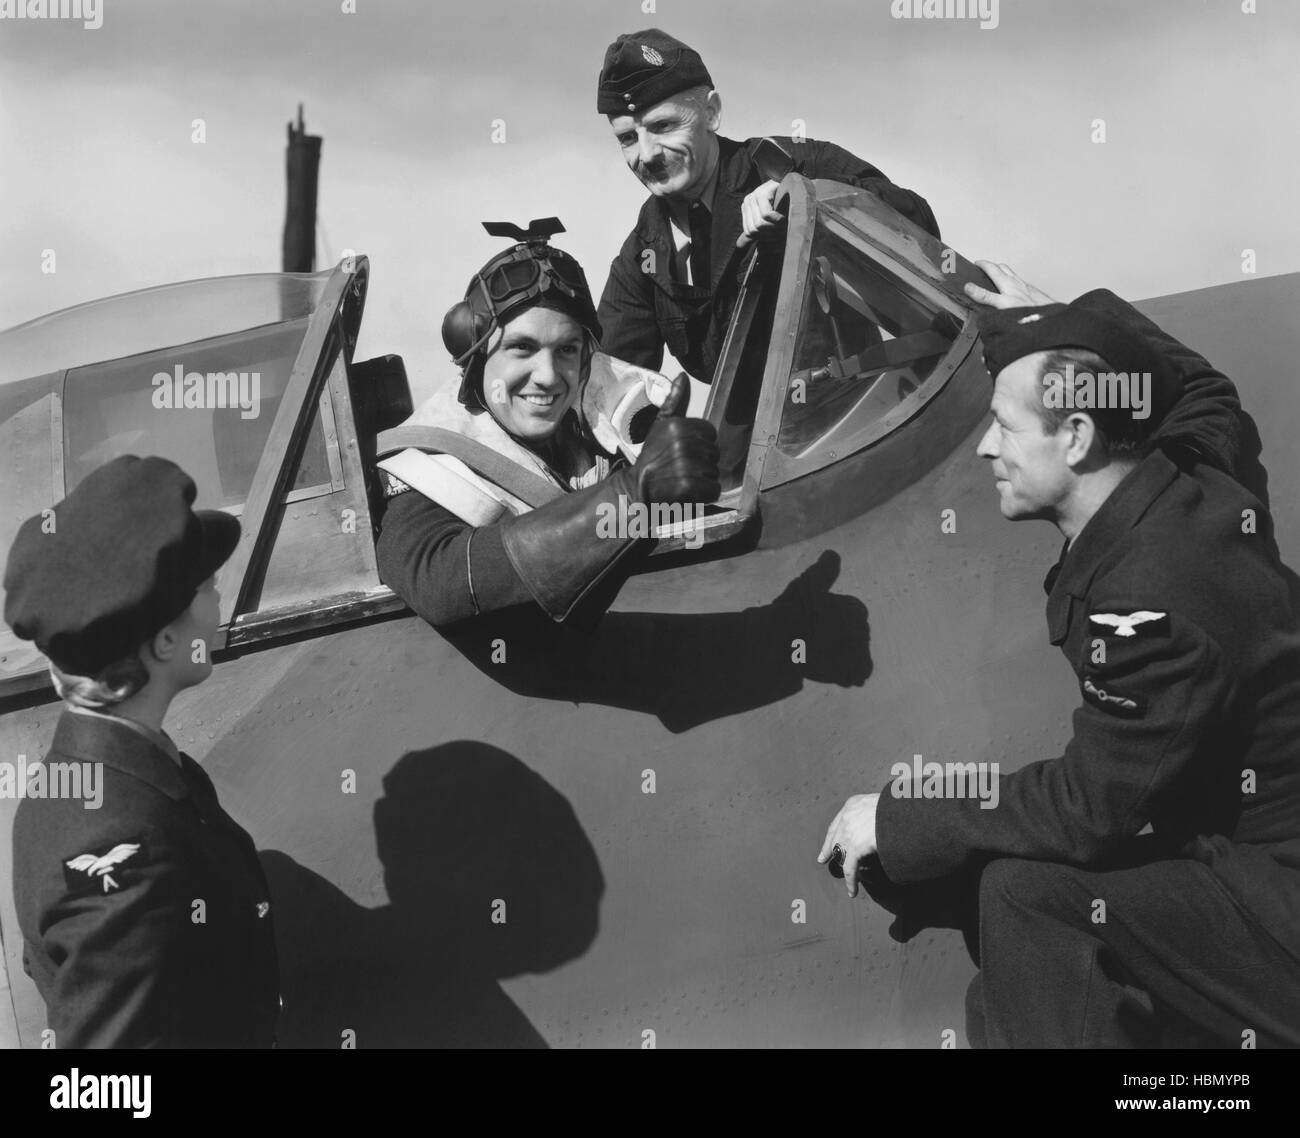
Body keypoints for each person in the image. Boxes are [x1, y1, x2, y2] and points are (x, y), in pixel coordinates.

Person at [817, 262, 1300, 1048]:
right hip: (1257, 876)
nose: (985, 449)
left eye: (1005, 425)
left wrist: (897, 820)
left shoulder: (1153, 599)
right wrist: (1075, 321)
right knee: (1005, 994)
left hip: (1280, 903)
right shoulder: (1190, 479)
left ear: (1076, 437)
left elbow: (1090, 809)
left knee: (1026, 903)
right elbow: (1207, 393)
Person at [4, 455, 280, 1048]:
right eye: (206, 588)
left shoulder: (96, 775)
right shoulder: (120, 844)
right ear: (164, 640)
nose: (219, 598)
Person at [374, 221, 720, 629]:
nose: (549, 376)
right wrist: (631, 495)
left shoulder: (605, 434)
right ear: (478, 356)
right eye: (522, 348)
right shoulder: (427, 462)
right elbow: (441, 581)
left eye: (567, 350)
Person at [594, 27, 940, 382]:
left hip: (863, 411)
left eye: (663, 126)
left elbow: (921, 227)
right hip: (747, 435)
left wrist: (806, 199)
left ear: (711, 113)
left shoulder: (791, 162)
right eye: (627, 138)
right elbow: (614, 386)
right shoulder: (642, 257)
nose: (647, 154)